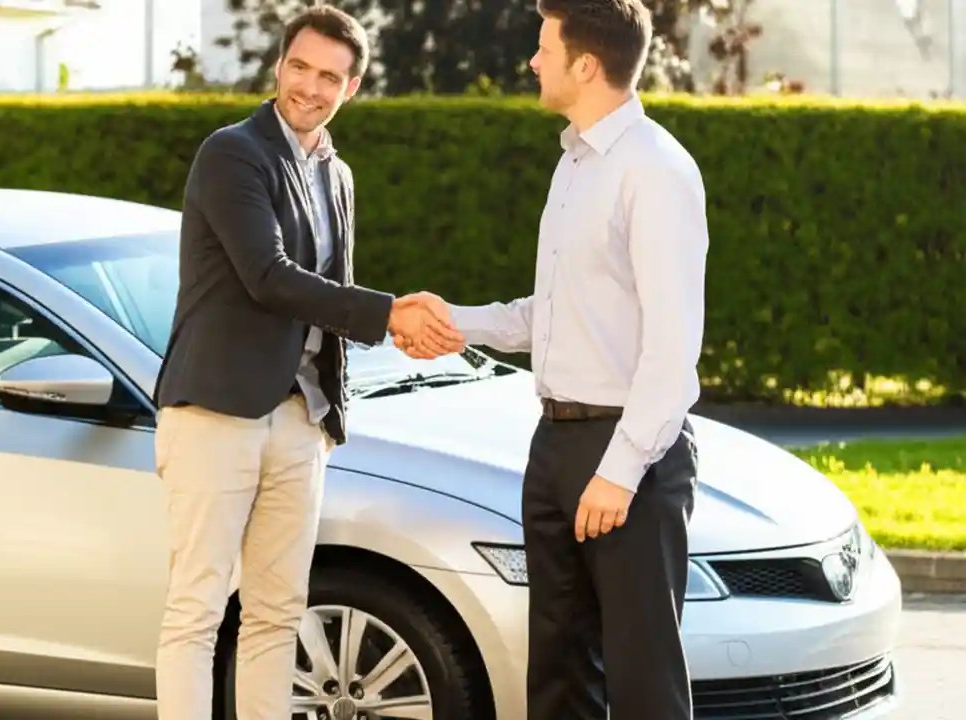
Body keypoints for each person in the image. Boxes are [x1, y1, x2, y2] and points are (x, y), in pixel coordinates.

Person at [150, 6, 464, 720]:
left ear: (351, 88)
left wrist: (329, 415)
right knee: (197, 610)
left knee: (278, 612)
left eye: (330, 76)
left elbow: (327, 295)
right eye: (300, 67)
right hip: (216, 413)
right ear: (279, 65)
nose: (310, 87)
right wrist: (389, 314)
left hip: (300, 422)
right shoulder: (232, 153)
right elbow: (269, 276)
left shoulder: (338, 175)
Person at [407, 0, 709, 717]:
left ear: (586, 63)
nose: (533, 61)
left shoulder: (655, 170)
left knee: (643, 684)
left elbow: (673, 347)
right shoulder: (574, 165)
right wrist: (458, 324)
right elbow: (554, 314)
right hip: (555, 448)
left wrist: (620, 469)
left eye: (544, 47)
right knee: (560, 674)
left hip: (624, 456)